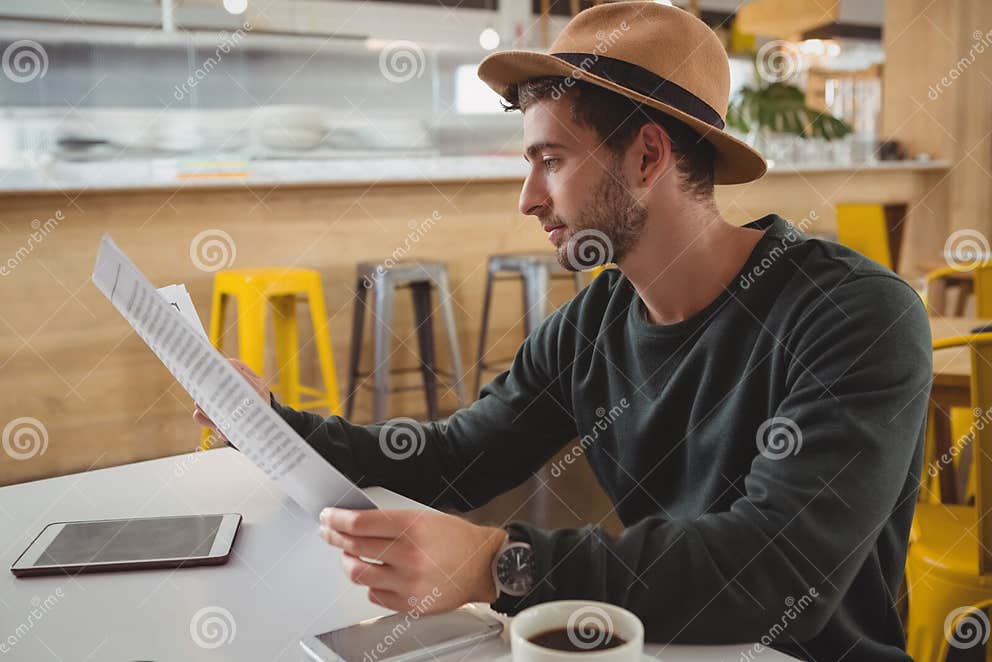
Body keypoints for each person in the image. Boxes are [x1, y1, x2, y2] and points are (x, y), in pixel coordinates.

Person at [196, 4, 931, 660]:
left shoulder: (857, 317)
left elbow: (773, 570)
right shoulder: (592, 326)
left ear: (647, 157)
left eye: (551, 160)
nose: (527, 199)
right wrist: (268, 423)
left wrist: (498, 563)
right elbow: (455, 458)